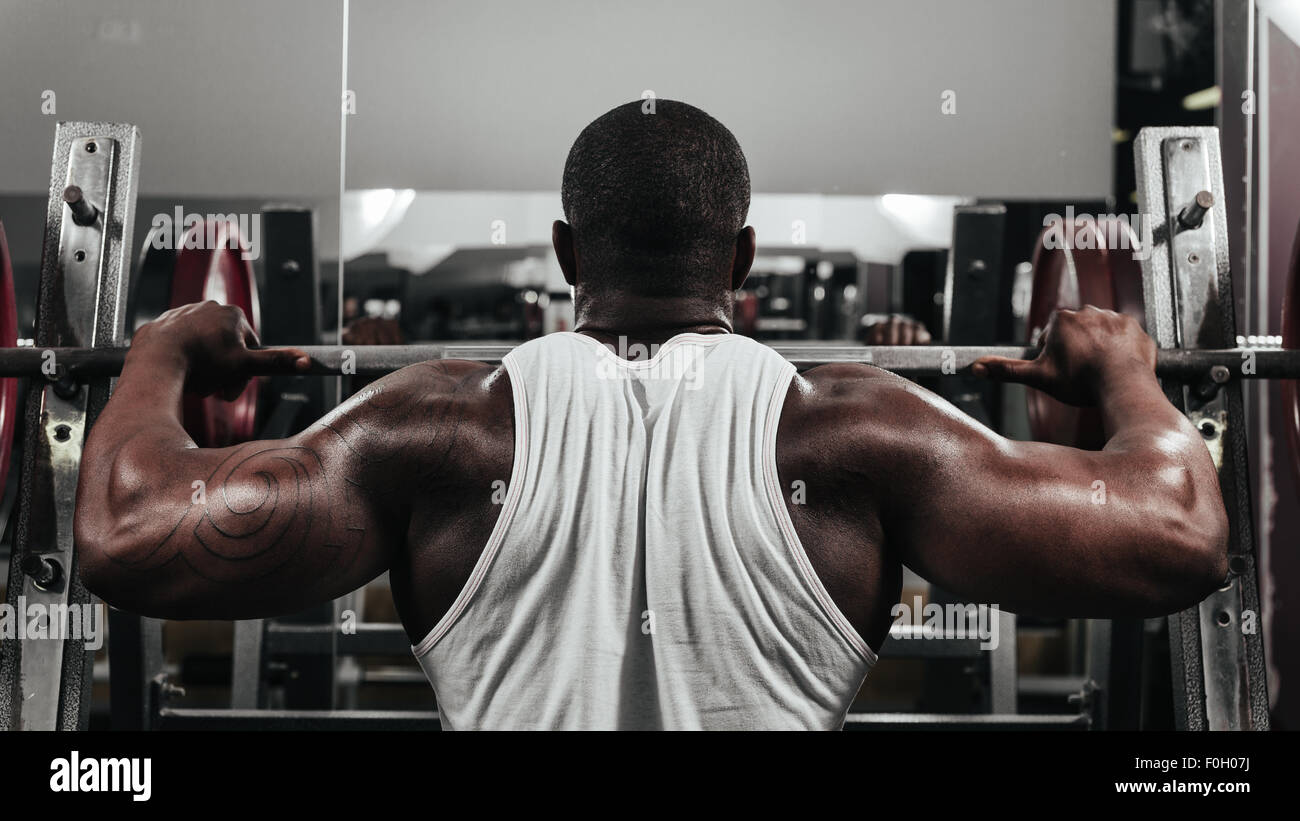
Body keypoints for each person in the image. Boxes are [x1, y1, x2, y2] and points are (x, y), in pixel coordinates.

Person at [76, 100, 1229, 730]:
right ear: (744, 256)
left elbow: (126, 534)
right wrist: (1122, 369)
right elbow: (1178, 537)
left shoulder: (436, 426)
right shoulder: (858, 432)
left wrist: (163, 351)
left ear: (568, 253)